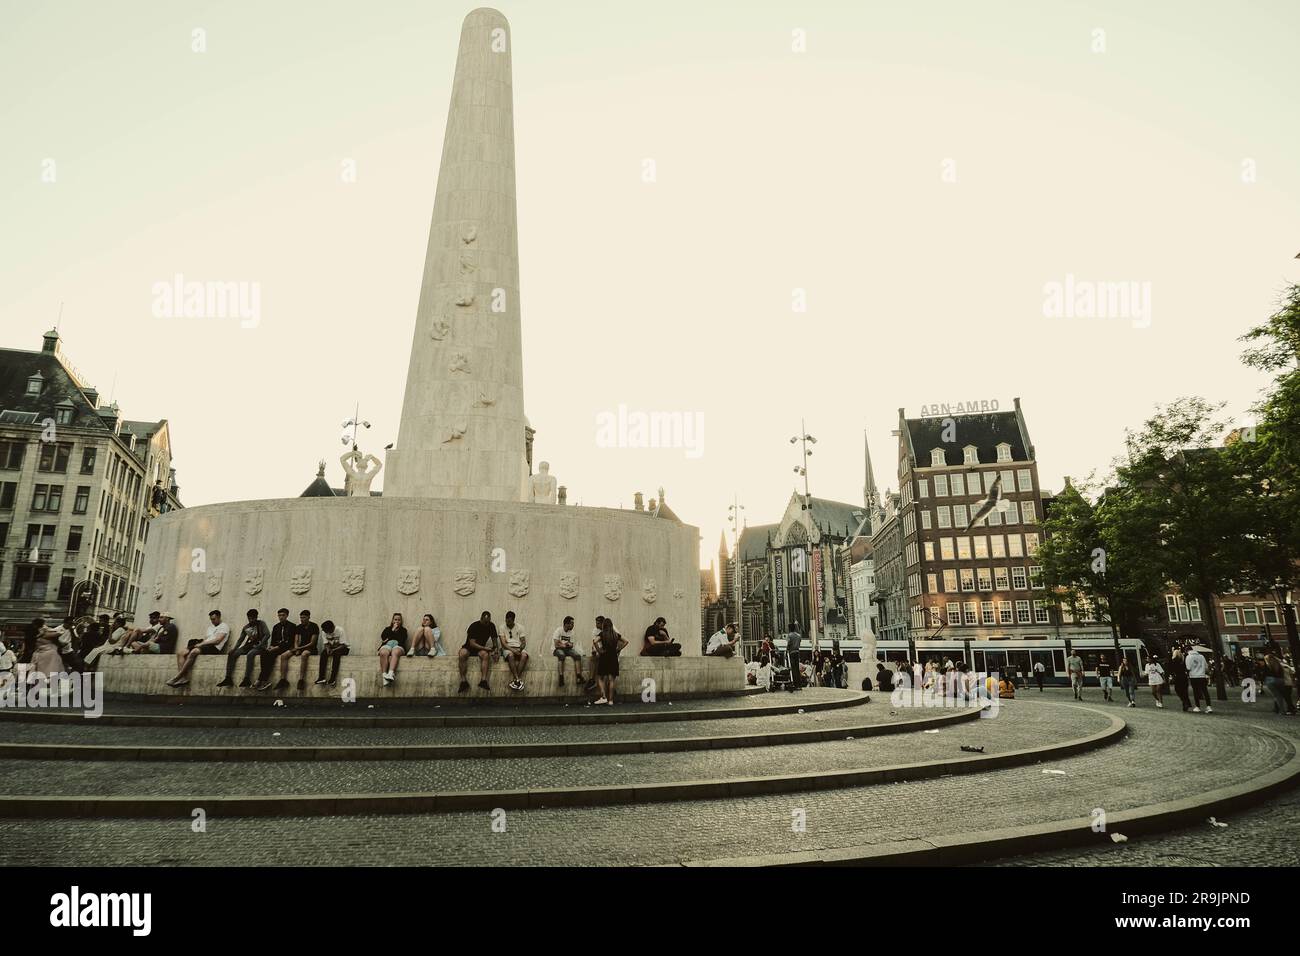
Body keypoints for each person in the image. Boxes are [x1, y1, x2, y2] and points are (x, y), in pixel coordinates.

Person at [166, 610, 230, 686]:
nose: (212, 621)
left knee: (194, 652)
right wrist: (199, 643)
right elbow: (206, 638)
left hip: (214, 647)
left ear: (219, 617)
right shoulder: (210, 627)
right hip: (205, 645)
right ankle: (184, 678)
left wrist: (202, 644)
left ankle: (178, 677)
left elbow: (217, 641)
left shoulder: (224, 626)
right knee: (180, 653)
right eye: (211, 619)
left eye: (214, 619)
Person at [217, 609, 271, 688]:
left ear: (256, 617)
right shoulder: (246, 627)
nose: (251, 620)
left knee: (250, 654)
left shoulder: (261, 624)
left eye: (253, 618)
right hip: (249, 645)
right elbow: (240, 639)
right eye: (249, 618)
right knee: (232, 654)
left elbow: (267, 635)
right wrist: (234, 648)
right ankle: (228, 678)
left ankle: (246, 679)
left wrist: (260, 645)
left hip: (260, 646)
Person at [252, 608, 297, 691]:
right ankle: (263, 680)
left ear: (287, 615)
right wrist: (271, 647)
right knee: (264, 653)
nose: (281, 617)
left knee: (271, 655)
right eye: (279, 615)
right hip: (276, 648)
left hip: (286, 647)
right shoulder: (276, 626)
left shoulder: (292, 626)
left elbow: (290, 641)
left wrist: (277, 647)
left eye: (283, 615)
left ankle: (261, 680)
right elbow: (273, 641)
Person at [275, 610, 319, 690]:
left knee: (304, 654)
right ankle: (283, 679)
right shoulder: (299, 627)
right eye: (301, 617)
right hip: (300, 647)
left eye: (304, 617)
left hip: (310, 648)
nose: (302, 619)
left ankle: (301, 680)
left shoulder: (314, 626)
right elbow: (296, 640)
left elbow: (312, 643)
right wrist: (296, 648)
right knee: (284, 655)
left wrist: (299, 648)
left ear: (309, 617)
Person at [459, 611, 498, 692]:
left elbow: (495, 640)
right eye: (485, 622)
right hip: (469, 647)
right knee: (462, 653)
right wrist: (485, 648)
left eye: (488, 622)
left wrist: (496, 651)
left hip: (480, 649)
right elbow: (472, 644)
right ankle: (463, 681)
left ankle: (483, 681)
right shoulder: (474, 626)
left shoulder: (491, 626)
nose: (486, 623)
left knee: (485, 655)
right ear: (481, 619)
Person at [593, 618, 627, 706]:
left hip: (604, 657)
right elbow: (626, 641)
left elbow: (595, 641)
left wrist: (599, 651)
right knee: (612, 680)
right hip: (613, 657)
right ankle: (611, 701)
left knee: (600, 678)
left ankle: (604, 697)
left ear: (604, 625)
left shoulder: (602, 634)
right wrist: (619, 648)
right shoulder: (616, 634)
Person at [552, 616, 585, 687]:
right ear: (566, 624)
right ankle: (561, 677)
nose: (573, 625)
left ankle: (579, 676)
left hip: (567, 649)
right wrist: (565, 645)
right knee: (561, 655)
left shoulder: (572, 632)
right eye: (571, 623)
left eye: (573, 624)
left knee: (577, 655)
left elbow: (571, 645)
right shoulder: (558, 630)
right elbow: (556, 644)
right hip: (557, 649)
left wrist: (566, 644)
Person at [314, 620, 350, 686]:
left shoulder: (340, 630)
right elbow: (326, 643)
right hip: (332, 648)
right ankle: (321, 677)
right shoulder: (324, 631)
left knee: (336, 654)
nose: (327, 633)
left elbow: (343, 645)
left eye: (328, 632)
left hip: (343, 648)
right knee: (323, 654)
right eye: (326, 632)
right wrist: (328, 649)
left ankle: (332, 679)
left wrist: (333, 650)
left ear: (332, 628)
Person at [500, 610, 529, 692]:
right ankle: (517, 679)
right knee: (511, 655)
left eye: (509, 621)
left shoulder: (520, 627)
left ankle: (516, 680)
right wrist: (513, 650)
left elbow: (523, 642)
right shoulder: (502, 627)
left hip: (518, 647)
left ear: (513, 620)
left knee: (524, 656)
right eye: (506, 621)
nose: (507, 623)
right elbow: (503, 644)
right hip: (507, 648)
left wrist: (520, 649)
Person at [377, 612, 408, 688]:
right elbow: (384, 638)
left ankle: (391, 673)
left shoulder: (403, 630)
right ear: (392, 620)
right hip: (387, 645)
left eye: (399, 620)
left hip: (398, 646)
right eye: (395, 619)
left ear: (401, 621)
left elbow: (402, 639)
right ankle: (384, 676)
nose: (397, 621)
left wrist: (391, 635)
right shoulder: (387, 629)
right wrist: (392, 630)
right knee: (383, 652)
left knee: (395, 651)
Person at [1185, 646, 1212, 713]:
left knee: (1195, 691)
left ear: (1187, 651)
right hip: (1202, 676)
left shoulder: (1188, 657)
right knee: (1205, 691)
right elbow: (1206, 667)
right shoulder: (1201, 656)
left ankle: (1197, 706)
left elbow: (1188, 668)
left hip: (1193, 676)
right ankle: (1209, 706)